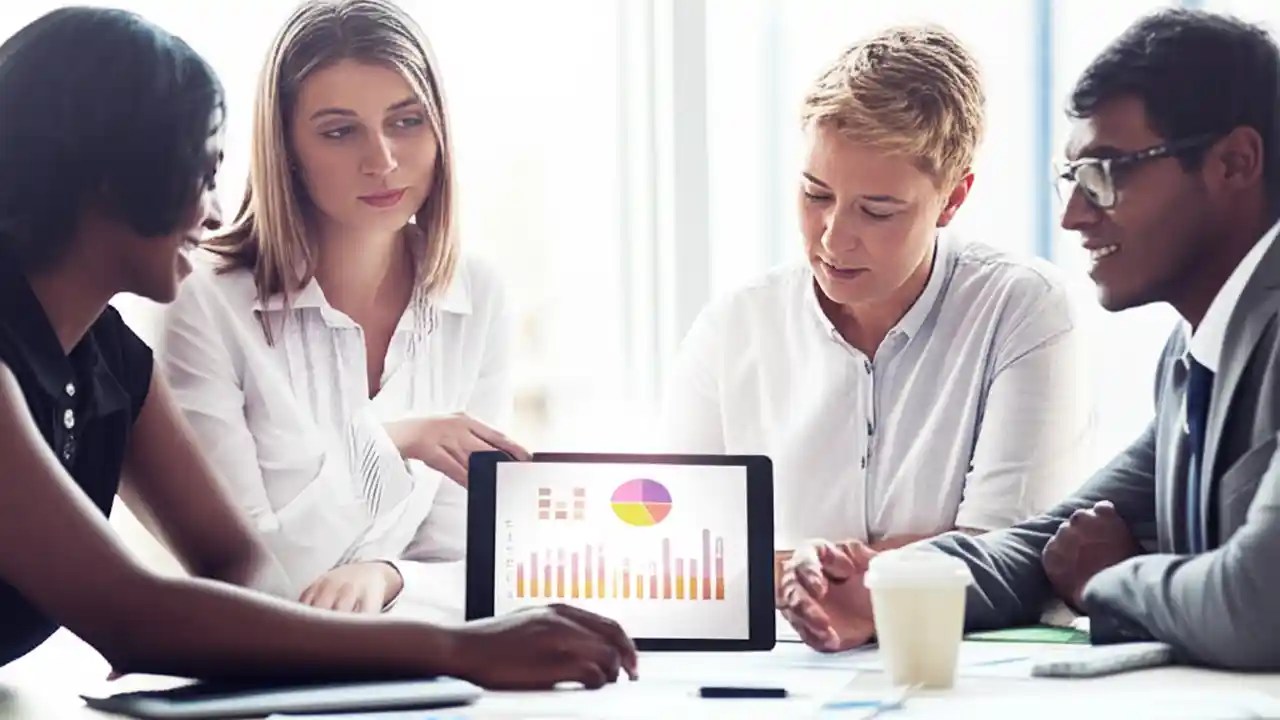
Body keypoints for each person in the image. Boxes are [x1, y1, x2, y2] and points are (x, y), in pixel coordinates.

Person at [0, 5, 635, 688]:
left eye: (407, 121)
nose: (215, 211)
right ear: (108, 176)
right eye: (201, 173)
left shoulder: (111, 362)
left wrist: (387, 604)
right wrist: (459, 651)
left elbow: (244, 568)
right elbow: (132, 616)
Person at [779, 8, 1280, 671]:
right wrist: (882, 587)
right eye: (1070, 179)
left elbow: (1255, 606)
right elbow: (1043, 545)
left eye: (1106, 172)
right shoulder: (1193, 359)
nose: (1073, 213)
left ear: (1234, 163)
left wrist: (1113, 580)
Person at [663, 25, 1087, 565]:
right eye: (816, 194)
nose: (834, 237)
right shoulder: (733, 328)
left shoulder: (1022, 310)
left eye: (877, 210)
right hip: (776, 652)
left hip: (958, 648)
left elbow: (1003, 553)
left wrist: (778, 573)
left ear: (952, 198)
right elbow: (683, 554)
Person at [157, 0, 526, 616]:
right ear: (288, 150)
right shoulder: (204, 301)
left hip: (413, 671)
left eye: (406, 122)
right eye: (339, 130)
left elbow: (473, 562)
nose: (381, 159)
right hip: (260, 684)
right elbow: (245, 574)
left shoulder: (478, 295)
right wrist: (390, 443)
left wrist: (387, 576)